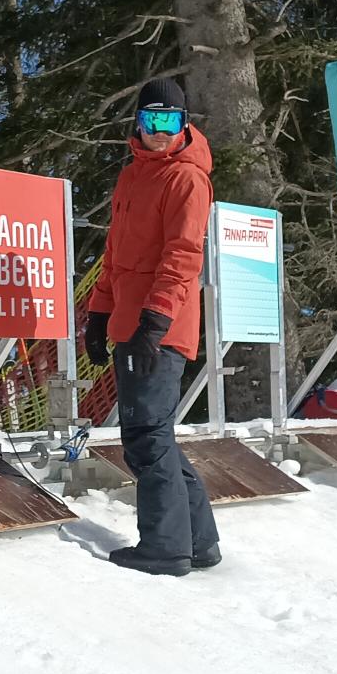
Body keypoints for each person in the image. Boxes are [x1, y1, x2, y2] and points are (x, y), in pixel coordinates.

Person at [83, 77, 220, 576]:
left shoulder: (187, 178)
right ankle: (198, 542)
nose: (159, 132)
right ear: (137, 123)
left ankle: (165, 548)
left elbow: (182, 257)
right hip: (130, 323)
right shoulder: (132, 177)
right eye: (151, 120)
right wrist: (99, 314)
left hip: (159, 328)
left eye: (169, 121)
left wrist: (155, 320)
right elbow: (115, 255)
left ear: (184, 124)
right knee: (154, 434)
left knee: (146, 437)